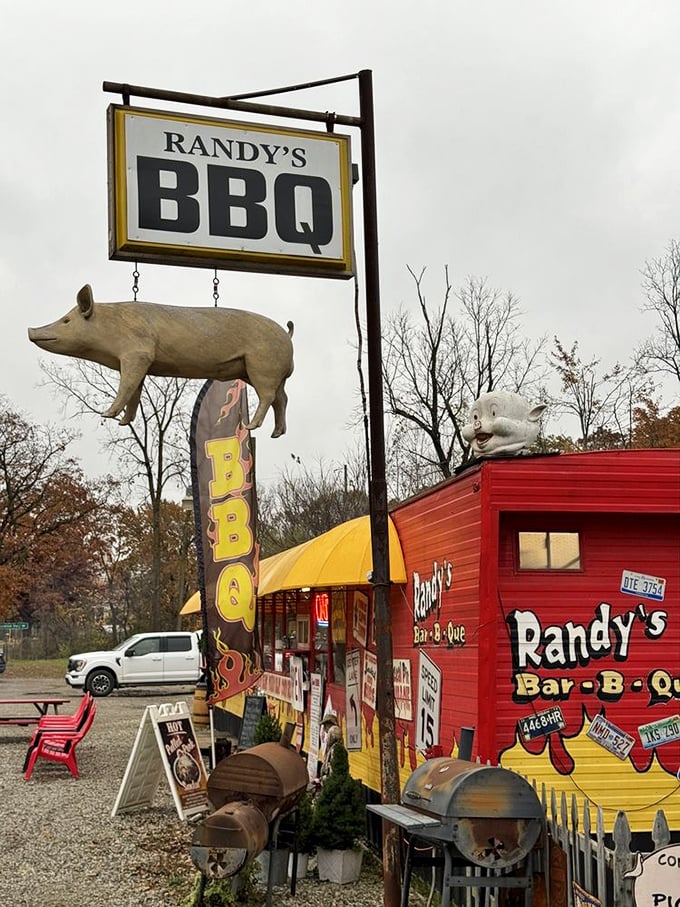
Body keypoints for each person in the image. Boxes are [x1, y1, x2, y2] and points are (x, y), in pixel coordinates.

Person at [319, 710, 342, 783]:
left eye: (325, 725)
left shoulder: (335, 749)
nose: (324, 728)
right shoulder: (331, 747)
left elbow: (333, 770)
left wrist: (324, 779)